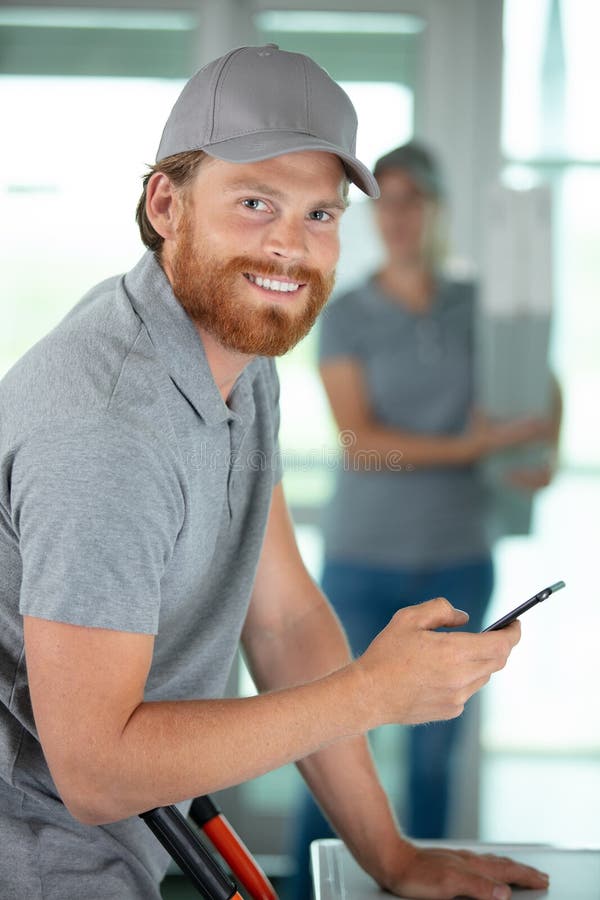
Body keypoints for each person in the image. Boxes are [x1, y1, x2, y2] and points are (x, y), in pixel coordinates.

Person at [0, 48, 550, 900]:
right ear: (166, 205)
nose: (290, 245)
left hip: (117, 841)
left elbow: (286, 618)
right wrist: (369, 694)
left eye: (319, 213)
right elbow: (96, 773)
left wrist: (391, 856)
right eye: (255, 203)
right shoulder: (107, 428)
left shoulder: (239, 361)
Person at [289, 141, 562, 897]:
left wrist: (542, 451)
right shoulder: (347, 314)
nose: (400, 216)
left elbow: (544, 384)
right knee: (336, 743)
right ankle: (309, 888)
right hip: (362, 559)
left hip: (457, 557)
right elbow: (360, 442)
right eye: (387, 201)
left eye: (415, 199)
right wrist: (470, 447)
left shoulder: (476, 306)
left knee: (437, 753)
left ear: (438, 209)